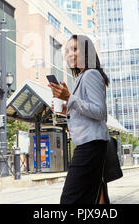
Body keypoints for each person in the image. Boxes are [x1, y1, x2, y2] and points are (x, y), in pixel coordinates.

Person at [48, 34, 111, 204]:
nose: (70, 54)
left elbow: (100, 112)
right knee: (95, 196)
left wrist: (69, 98)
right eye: (67, 51)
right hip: (90, 145)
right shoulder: (81, 77)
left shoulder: (90, 74)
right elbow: (84, 110)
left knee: (70, 198)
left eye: (74, 49)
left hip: (90, 146)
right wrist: (65, 108)